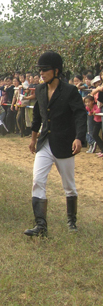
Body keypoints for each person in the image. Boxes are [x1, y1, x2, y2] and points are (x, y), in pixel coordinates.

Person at [24, 51, 87, 237]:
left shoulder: (70, 91)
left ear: (56, 70)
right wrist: (33, 138)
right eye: (40, 70)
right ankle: (40, 226)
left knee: (68, 185)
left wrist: (79, 137)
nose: (41, 73)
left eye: (45, 70)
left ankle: (71, 220)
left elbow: (80, 114)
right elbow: (37, 115)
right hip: (45, 143)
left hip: (65, 143)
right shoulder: (41, 90)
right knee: (37, 180)